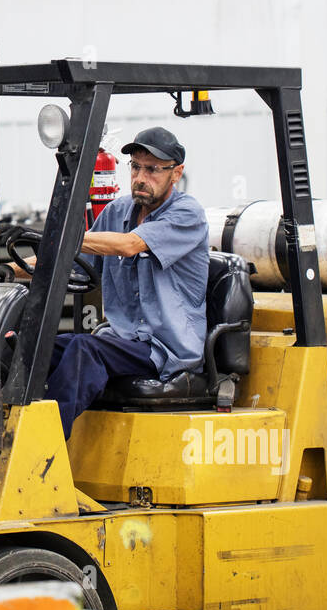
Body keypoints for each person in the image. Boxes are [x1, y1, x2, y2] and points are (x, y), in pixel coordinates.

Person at [25, 127, 210, 439]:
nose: (140, 177)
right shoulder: (117, 211)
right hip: (123, 340)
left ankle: (41, 447)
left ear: (176, 173)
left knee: (85, 349)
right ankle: (2, 441)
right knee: (33, 345)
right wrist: (8, 268)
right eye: (136, 167)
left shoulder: (187, 214)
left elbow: (128, 245)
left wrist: (64, 237)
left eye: (152, 169)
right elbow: (74, 266)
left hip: (164, 349)